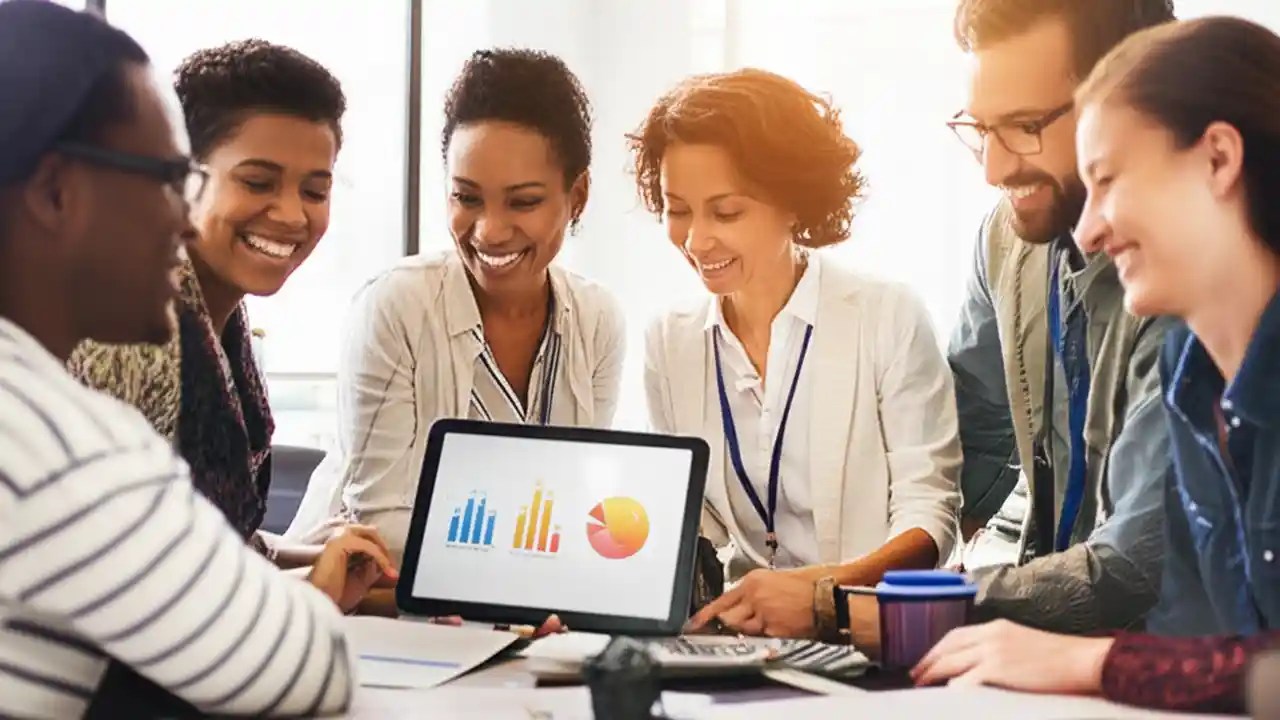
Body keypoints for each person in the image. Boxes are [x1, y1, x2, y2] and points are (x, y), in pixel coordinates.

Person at [0, 1, 394, 716]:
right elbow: (302, 668)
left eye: (316, 188)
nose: (182, 215)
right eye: (165, 178)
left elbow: (152, 543)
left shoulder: (218, 331)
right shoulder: (62, 435)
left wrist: (290, 559)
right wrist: (300, 593)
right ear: (56, 192)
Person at [914, 16, 1280, 714]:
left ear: (1218, 162)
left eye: (1108, 179)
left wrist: (1103, 662)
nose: (1086, 233)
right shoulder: (1192, 374)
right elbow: (1219, 643)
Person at [632, 68, 962, 640]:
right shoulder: (671, 341)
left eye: (726, 211)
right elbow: (694, 531)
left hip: (868, 637)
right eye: (677, 208)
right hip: (740, 642)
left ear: (792, 204)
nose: (696, 239)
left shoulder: (886, 315)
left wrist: (821, 597)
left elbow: (930, 517)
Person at [288, 48, 626, 559]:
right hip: (361, 599)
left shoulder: (597, 321)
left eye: (523, 201)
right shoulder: (397, 305)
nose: (489, 231)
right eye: (467, 198)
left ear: (576, 196)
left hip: (511, 607)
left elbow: (571, 499)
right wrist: (531, 556)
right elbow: (379, 521)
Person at [940, 0, 1178, 634]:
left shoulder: (1199, 279)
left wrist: (912, 604)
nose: (993, 170)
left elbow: (1133, 565)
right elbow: (970, 440)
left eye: (1024, 126)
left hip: (1166, 662)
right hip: (1035, 642)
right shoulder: (1006, 238)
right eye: (980, 129)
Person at [67, 38, 348, 566]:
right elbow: (118, 572)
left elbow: (196, 535)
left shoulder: (219, 314)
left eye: (314, 191)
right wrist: (309, 598)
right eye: (258, 182)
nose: (291, 215)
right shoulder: (129, 332)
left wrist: (302, 556)